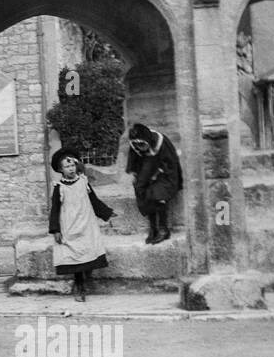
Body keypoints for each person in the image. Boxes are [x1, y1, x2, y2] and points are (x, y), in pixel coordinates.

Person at [48, 147, 114, 303]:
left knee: (88, 251)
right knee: (75, 256)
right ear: (60, 169)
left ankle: (86, 280)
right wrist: (55, 229)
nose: (70, 169)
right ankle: (79, 286)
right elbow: (55, 210)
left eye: (72, 166)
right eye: (67, 166)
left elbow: (94, 200)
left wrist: (107, 213)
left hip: (86, 223)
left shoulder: (84, 181)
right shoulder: (59, 188)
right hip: (69, 225)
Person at [125, 122, 182, 245]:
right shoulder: (136, 146)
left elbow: (171, 164)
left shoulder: (161, 142)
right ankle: (153, 228)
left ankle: (163, 228)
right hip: (147, 175)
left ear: (148, 140)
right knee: (142, 190)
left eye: (141, 144)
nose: (139, 147)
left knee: (158, 194)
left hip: (164, 175)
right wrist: (137, 175)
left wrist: (157, 174)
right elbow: (135, 163)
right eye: (136, 144)